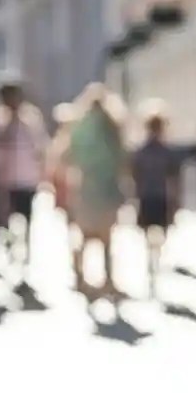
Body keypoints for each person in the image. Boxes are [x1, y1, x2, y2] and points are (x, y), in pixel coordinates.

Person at [68, 83, 128, 300]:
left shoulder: (80, 126)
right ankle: (107, 280)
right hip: (105, 188)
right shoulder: (112, 126)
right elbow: (122, 158)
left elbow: (69, 155)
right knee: (106, 238)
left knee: (85, 236)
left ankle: (80, 276)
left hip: (87, 187)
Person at [0, 78, 50, 285]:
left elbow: (40, 147)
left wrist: (43, 174)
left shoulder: (30, 118)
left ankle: (25, 258)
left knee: (26, 219)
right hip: (7, 180)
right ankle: (11, 254)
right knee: (7, 220)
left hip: (27, 178)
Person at [131, 101, 183, 299]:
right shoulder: (149, 152)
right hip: (155, 196)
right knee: (155, 235)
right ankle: (153, 263)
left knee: (154, 235)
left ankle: (153, 263)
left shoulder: (150, 152)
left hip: (154, 196)